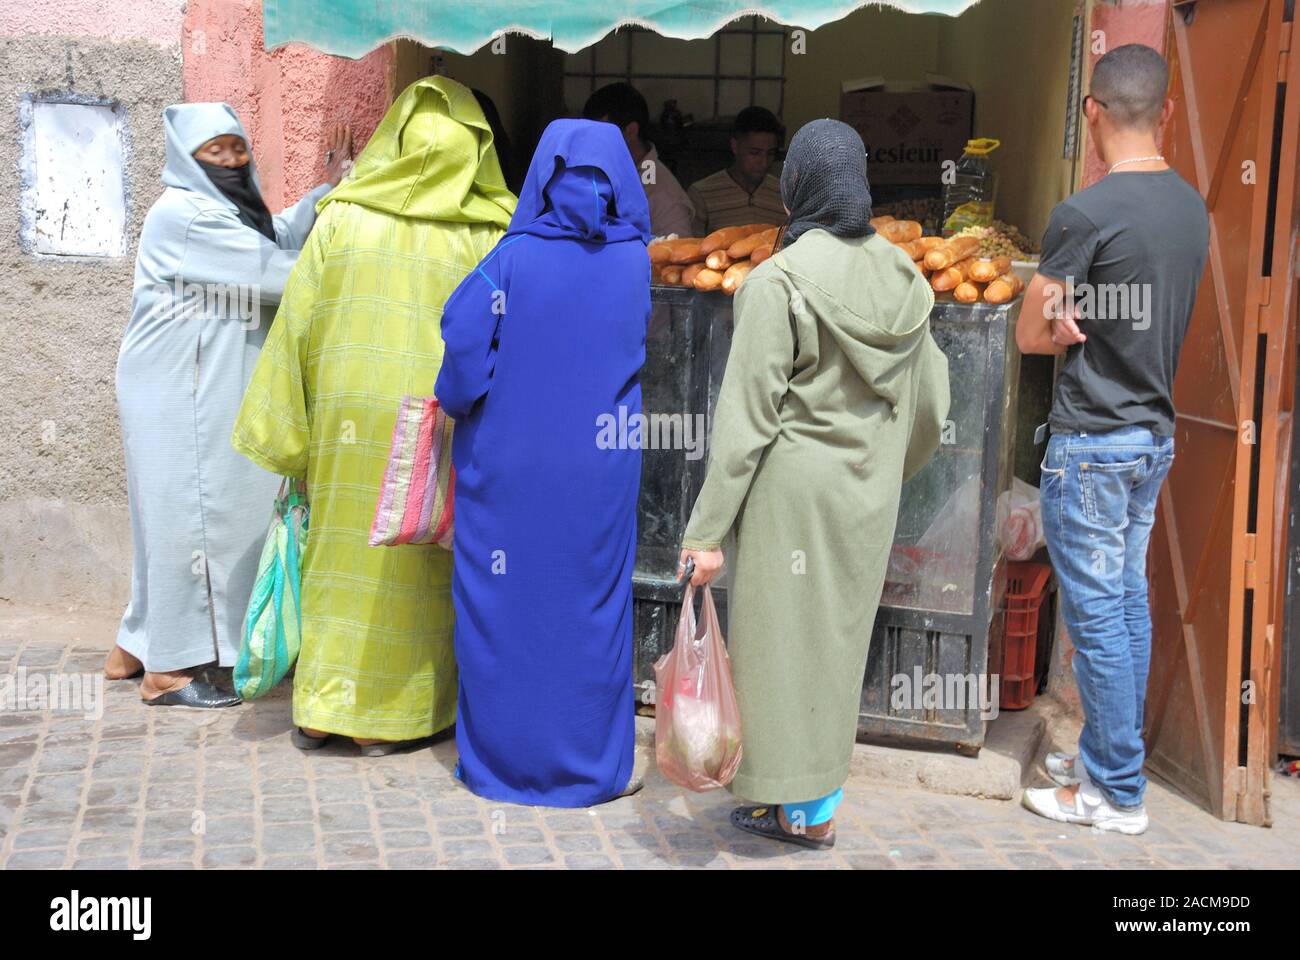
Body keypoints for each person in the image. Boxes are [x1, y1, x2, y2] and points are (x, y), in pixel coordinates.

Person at [678, 119, 950, 849]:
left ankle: (792, 805)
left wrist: (705, 533)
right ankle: (811, 803)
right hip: (867, 494)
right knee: (834, 650)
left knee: (777, 648)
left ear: (794, 186)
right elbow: (931, 409)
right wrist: (887, 470)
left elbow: (745, 426)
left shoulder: (776, 283)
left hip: (788, 497)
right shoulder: (904, 279)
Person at [231, 77, 516, 752]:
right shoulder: (492, 231)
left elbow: (295, 326)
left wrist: (287, 437)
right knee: (420, 559)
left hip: (343, 419)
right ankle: (394, 720)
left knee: (340, 556)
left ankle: (326, 706)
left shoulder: (342, 216)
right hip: (436, 424)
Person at [1018, 44, 1208, 835]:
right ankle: (1108, 761)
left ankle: (1112, 792)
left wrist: (1060, 327)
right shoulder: (1193, 207)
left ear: (1090, 112)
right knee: (1125, 609)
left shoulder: (1083, 212)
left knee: (1100, 619)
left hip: (1093, 443)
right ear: (1165, 112)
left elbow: (1032, 333)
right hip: (1148, 442)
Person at [435, 118, 651, 806]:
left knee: (506, 605)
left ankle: (504, 761)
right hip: (598, 472)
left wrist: (454, 400)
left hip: (511, 468)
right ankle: (590, 764)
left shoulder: (510, 259)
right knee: (590, 607)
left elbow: (465, 345)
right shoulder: (634, 262)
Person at [107, 103, 350, 708]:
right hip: (177, 395)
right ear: (187, 162)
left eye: (237, 148)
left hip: (187, 386)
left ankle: (134, 644)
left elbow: (274, 235)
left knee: (162, 519)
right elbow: (281, 273)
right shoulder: (185, 217)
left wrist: (329, 191)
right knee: (182, 519)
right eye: (215, 153)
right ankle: (168, 670)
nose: (233, 161)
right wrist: (364, 253)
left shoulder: (217, 210)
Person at [583, 82, 694, 238]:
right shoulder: (591, 173)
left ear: (631, 131)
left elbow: (676, 257)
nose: (593, 144)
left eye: (601, 136)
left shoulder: (664, 196)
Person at [687, 106, 786, 236]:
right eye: (755, 153)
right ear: (735, 146)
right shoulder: (702, 194)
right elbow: (691, 249)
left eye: (770, 153)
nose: (764, 162)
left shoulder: (783, 195)